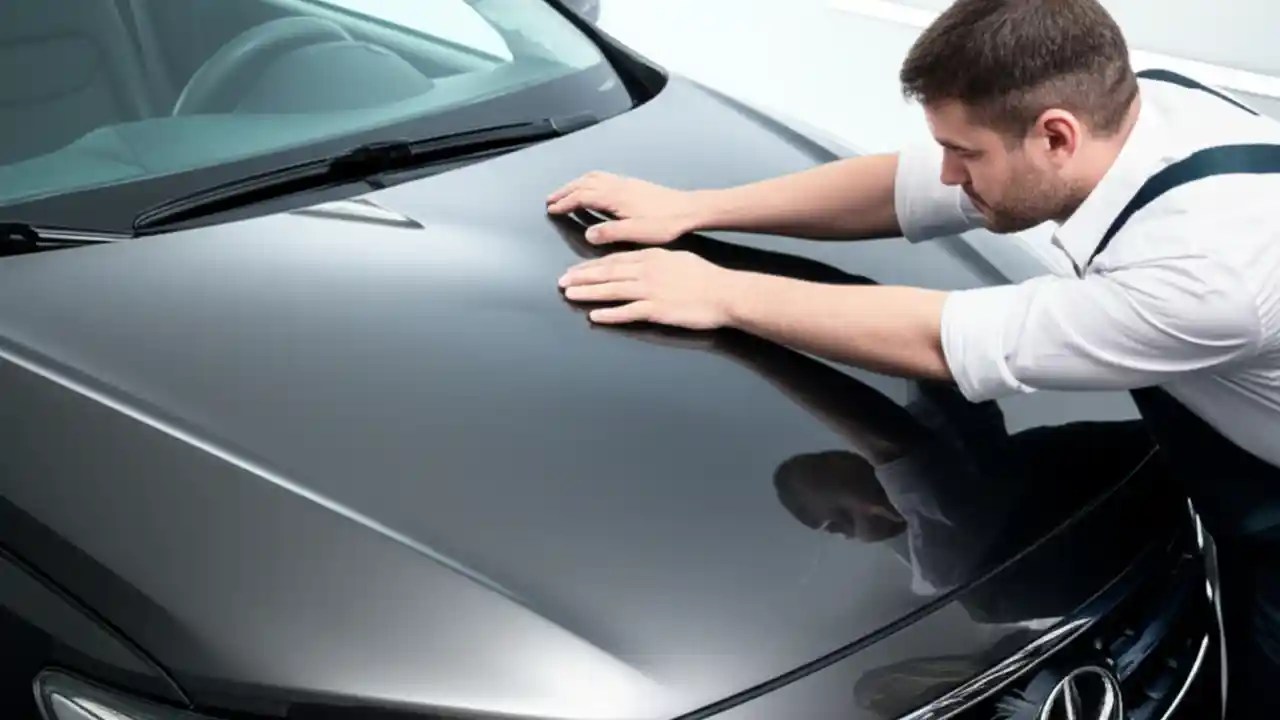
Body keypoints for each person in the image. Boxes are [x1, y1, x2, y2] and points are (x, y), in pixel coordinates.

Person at [549, 0, 1280, 715]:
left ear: (1056, 137)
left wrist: (721, 294)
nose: (951, 174)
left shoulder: (1208, 272)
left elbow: (941, 339)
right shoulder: (1141, 116)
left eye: (966, 154)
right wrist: (696, 209)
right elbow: (907, 188)